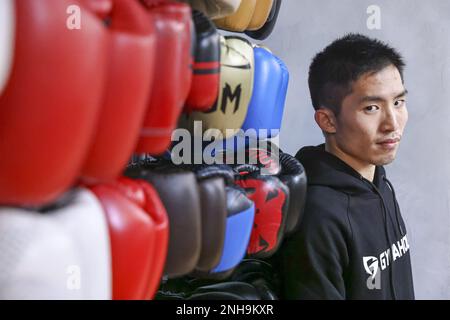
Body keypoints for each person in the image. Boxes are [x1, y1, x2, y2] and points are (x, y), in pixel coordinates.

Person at [274, 34, 415, 299]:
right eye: (372, 107)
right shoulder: (316, 215)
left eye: (398, 103)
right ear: (327, 120)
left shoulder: (379, 183)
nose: (392, 124)